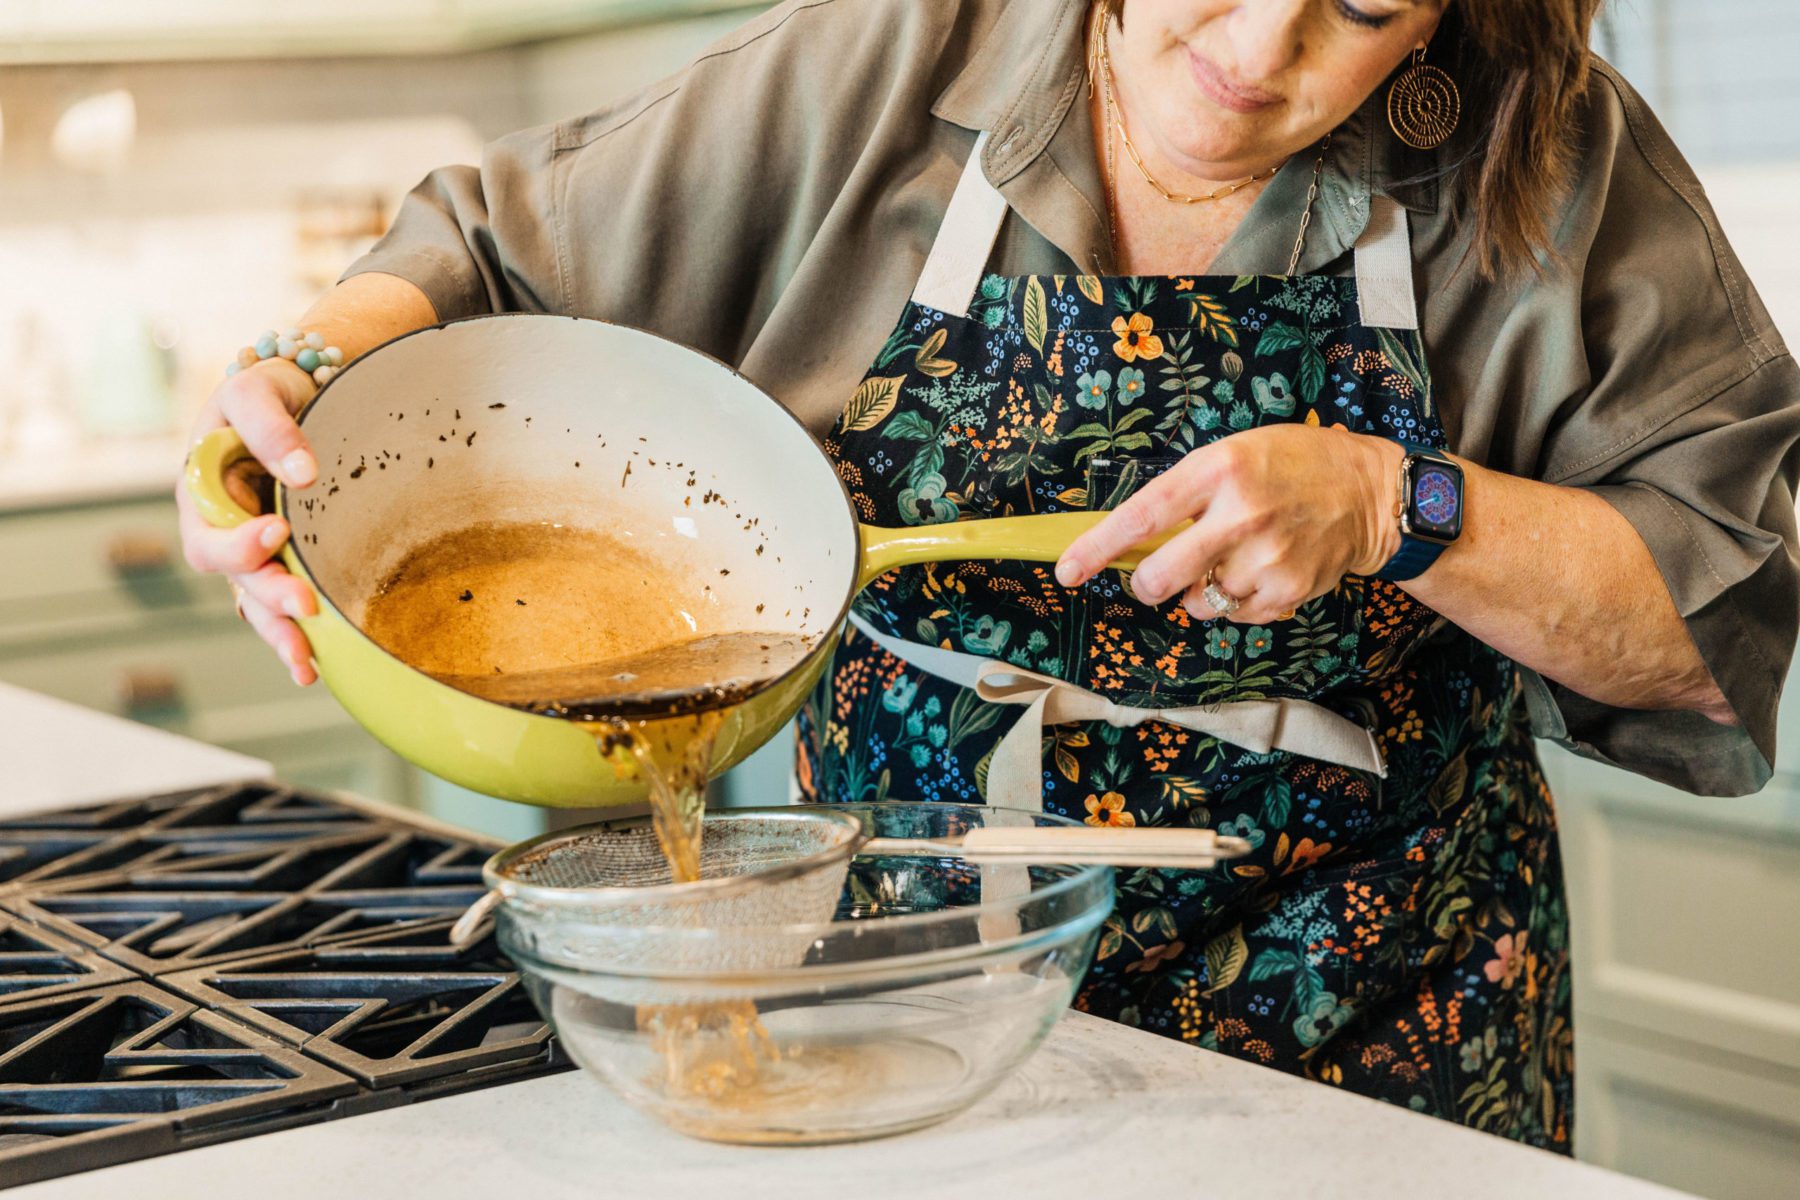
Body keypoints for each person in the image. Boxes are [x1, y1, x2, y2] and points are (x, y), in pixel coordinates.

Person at [176, 0, 1800, 1150]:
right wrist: (296, 385)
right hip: (905, 1008)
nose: (1256, 54)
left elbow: (1707, 627)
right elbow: (475, 252)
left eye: (1361, 9)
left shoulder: (1551, 152)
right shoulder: (892, 59)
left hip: (1390, 1025)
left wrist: (1403, 505)